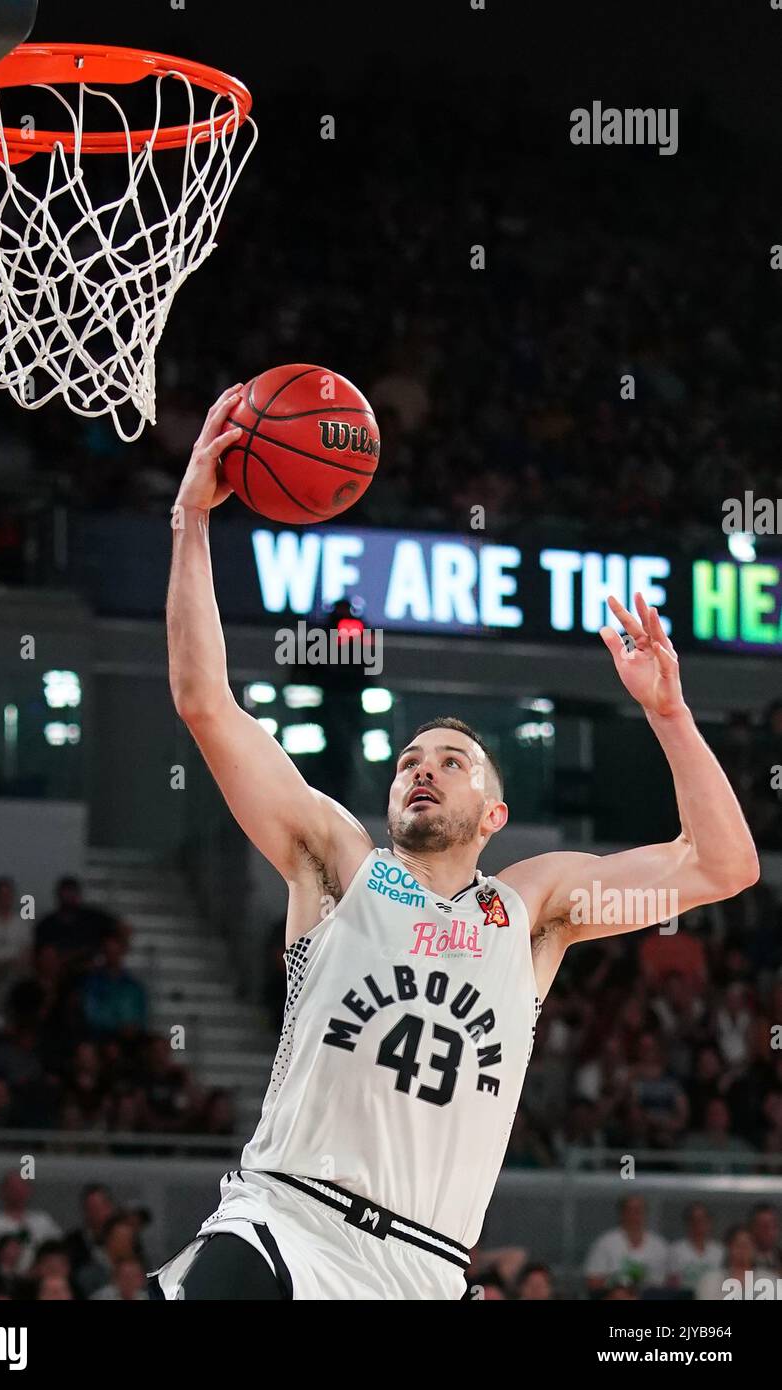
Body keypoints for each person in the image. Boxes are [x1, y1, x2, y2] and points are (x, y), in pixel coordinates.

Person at [151, 387, 760, 1302]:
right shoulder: (335, 861)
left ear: (494, 816)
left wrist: (669, 715)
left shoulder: (532, 911)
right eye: (408, 761)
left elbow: (724, 866)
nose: (423, 770)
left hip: (425, 1269)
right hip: (285, 1224)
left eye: (452, 762)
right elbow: (207, 704)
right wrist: (191, 520)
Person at [0, 1173, 62, 1274]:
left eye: (22, 1187)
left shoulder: (43, 1220)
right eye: (13, 1188)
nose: (17, 1192)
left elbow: (57, 1250)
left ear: (29, 1190)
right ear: (3, 1191)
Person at [667, 1203, 723, 1292]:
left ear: (709, 1222)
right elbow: (672, 1284)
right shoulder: (676, 1250)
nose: (698, 1224)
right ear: (687, 1223)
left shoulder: (719, 1251)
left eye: (702, 1220)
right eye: (694, 1220)